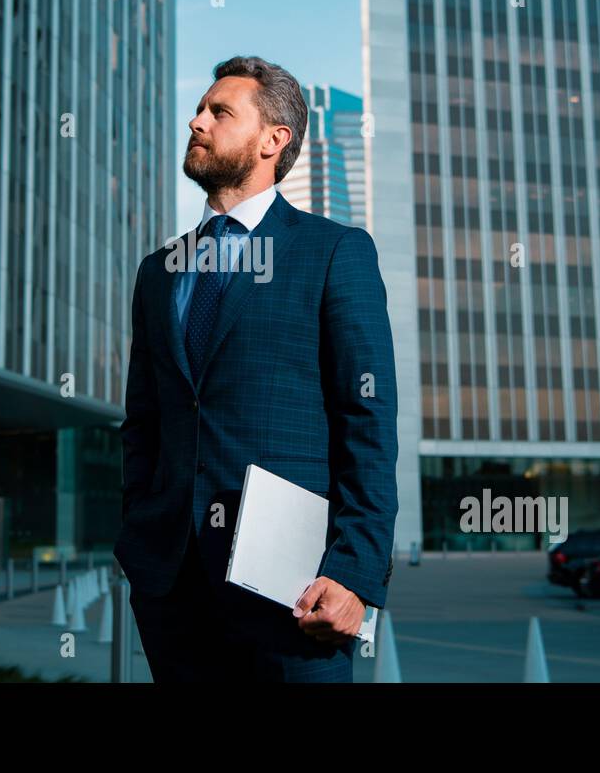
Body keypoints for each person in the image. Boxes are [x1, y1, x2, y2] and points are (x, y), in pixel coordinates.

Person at [112, 55, 399, 682]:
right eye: (200, 109)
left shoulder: (333, 252)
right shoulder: (157, 272)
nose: (196, 121)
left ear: (274, 140)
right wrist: (136, 533)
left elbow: (367, 422)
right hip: (171, 588)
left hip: (293, 591)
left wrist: (355, 572)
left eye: (220, 112)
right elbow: (145, 421)